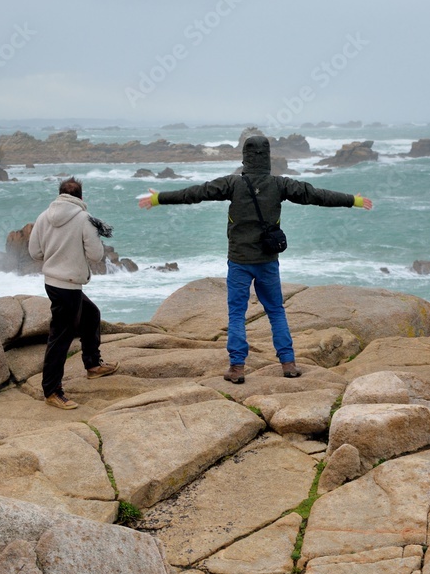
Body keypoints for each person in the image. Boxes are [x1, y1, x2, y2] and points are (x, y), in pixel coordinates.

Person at [138, 134, 372, 384]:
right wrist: (353, 200)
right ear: (268, 158)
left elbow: (196, 193)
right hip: (267, 261)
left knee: (237, 314)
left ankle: (237, 367)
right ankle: (288, 363)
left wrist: (158, 198)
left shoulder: (232, 184)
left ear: (245, 159)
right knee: (276, 311)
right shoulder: (280, 185)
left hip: (239, 261)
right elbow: (316, 195)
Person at [29, 177, 119, 409]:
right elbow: (96, 255)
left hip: (53, 283)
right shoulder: (83, 219)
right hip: (68, 285)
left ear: (60, 194)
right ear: (80, 197)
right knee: (60, 338)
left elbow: (34, 252)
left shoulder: (42, 216)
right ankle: (52, 391)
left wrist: (55, 255)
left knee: (91, 314)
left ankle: (92, 365)